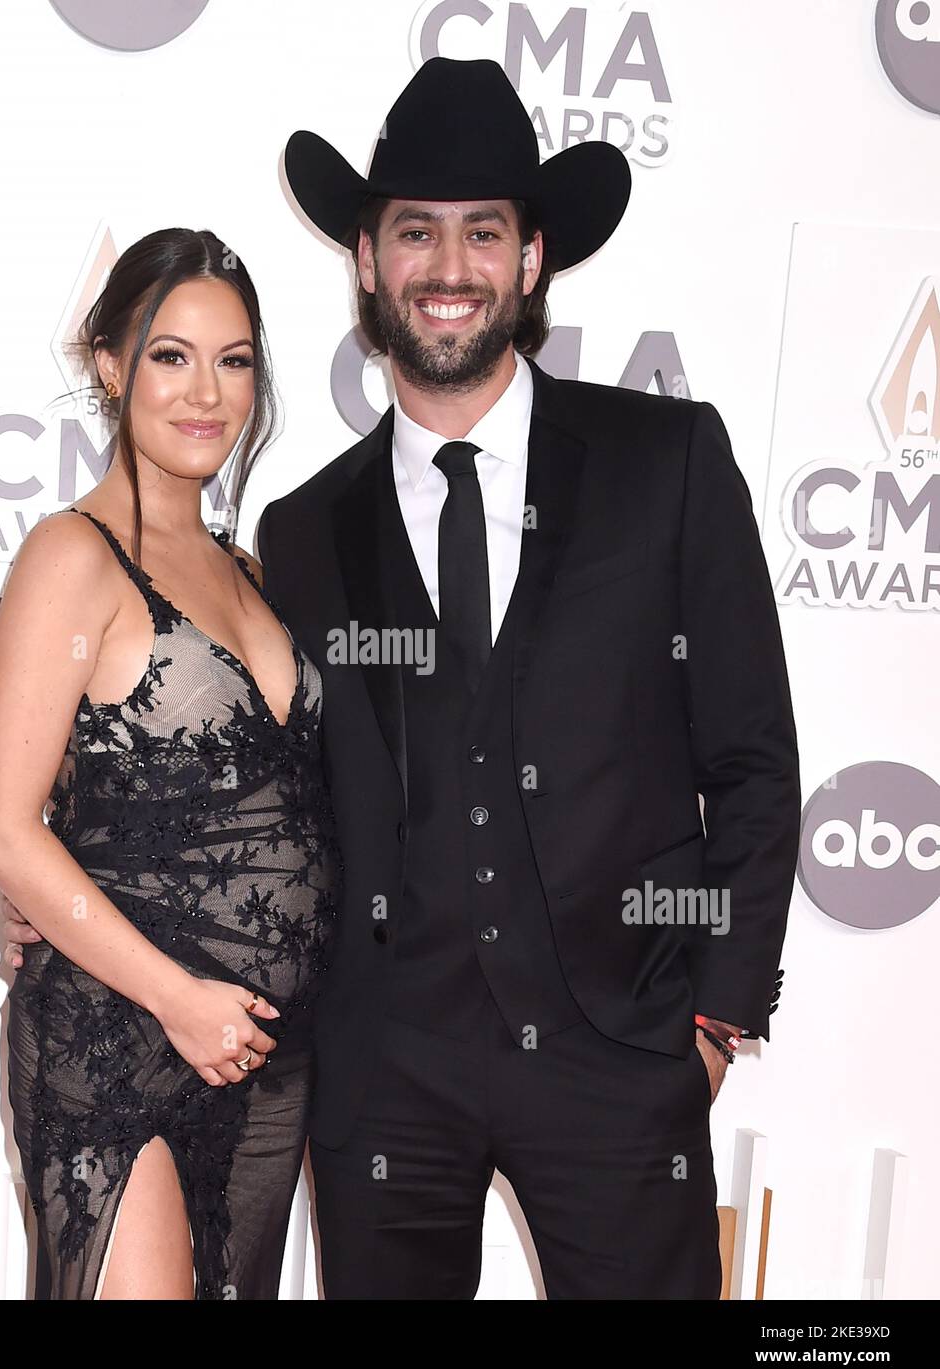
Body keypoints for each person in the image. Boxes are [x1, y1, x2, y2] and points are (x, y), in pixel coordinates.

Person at [260, 56, 799, 1298]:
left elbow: (752, 762)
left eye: (482, 233)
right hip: (387, 1070)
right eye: (414, 232)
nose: (447, 270)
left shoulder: (662, 462)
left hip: (618, 1060)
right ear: (364, 258)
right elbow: (266, 799)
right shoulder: (302, 531)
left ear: (532, 256)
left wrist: (713, 1021)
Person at [0, 228, 340, 1300]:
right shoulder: (71, 556)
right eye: (171, 355)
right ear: (111, 365)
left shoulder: (253, 568)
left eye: (234, 360)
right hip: (120, 1036)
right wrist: (177, 997)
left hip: (266, 1058)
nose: (206, 392)